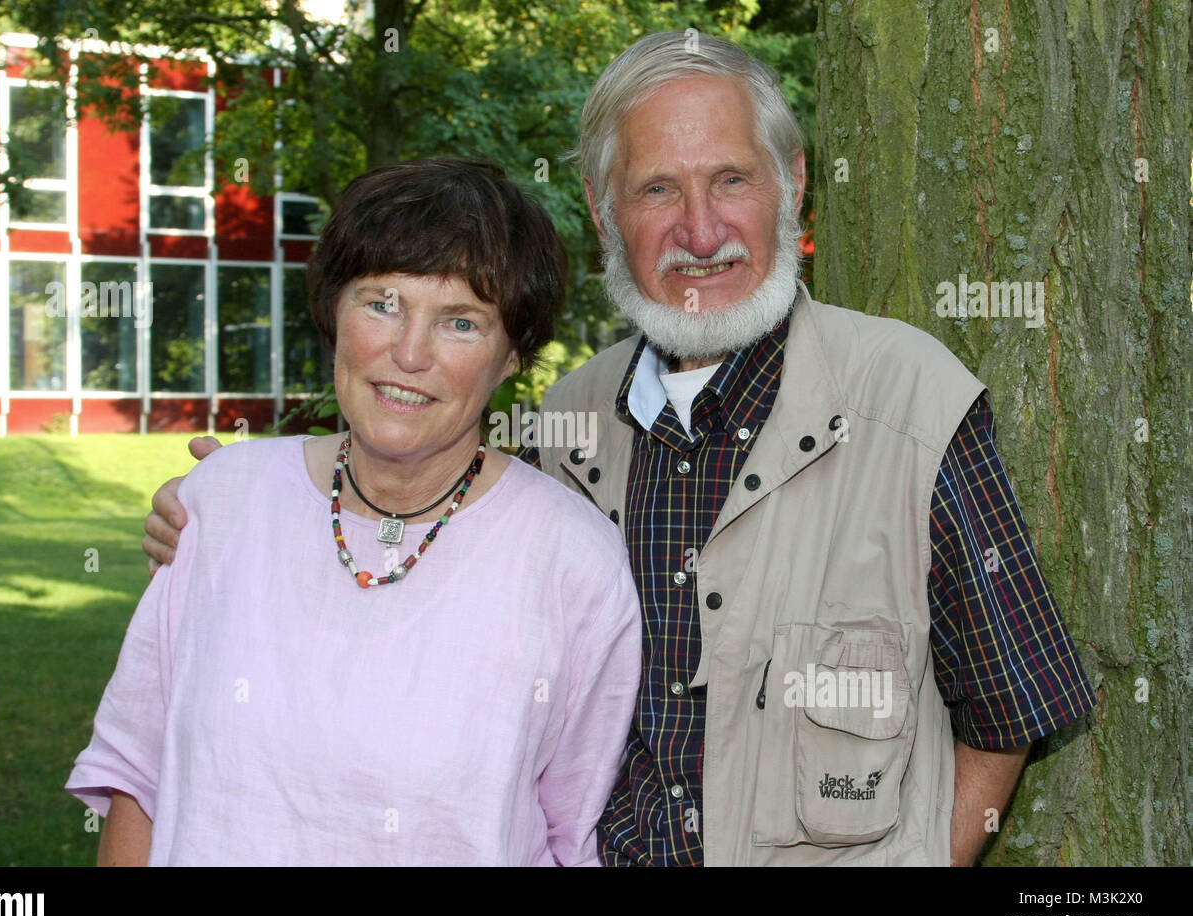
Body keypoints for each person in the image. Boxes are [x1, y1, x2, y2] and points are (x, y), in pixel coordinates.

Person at [143, 34, 1097, 866]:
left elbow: (1009, 708)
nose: (700, 231)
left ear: (793, 186)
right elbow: (415, 523)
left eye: (731, 179)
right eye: (655, 191)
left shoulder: (912, 402)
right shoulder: (566, 427)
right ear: (605, 215)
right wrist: (233, 515)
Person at [67, 157, 643, 866]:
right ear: (334, 310)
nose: (408, 352)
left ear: (512, 356)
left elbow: (572, 833)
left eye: (460, 322)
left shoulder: (574, 563)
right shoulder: (219, 505)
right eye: (382, 303)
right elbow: (137, 778)